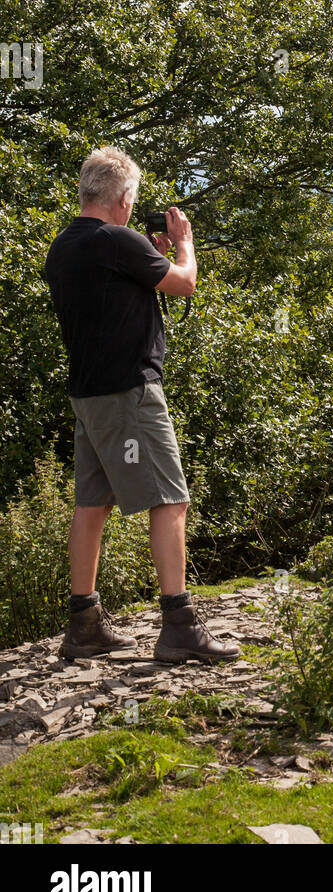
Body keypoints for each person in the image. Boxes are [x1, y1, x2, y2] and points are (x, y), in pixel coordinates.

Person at [43, 145, 240, 664]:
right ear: (124, 197)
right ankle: (178, 625)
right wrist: (183, 245)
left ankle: (83, 623)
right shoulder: (117, 240)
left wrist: (146, 252)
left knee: (92, 504)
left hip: (87, 394)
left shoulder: (64, 245)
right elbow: (184, 284)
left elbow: (111, 294)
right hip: (129, 392)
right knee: (170, 499)